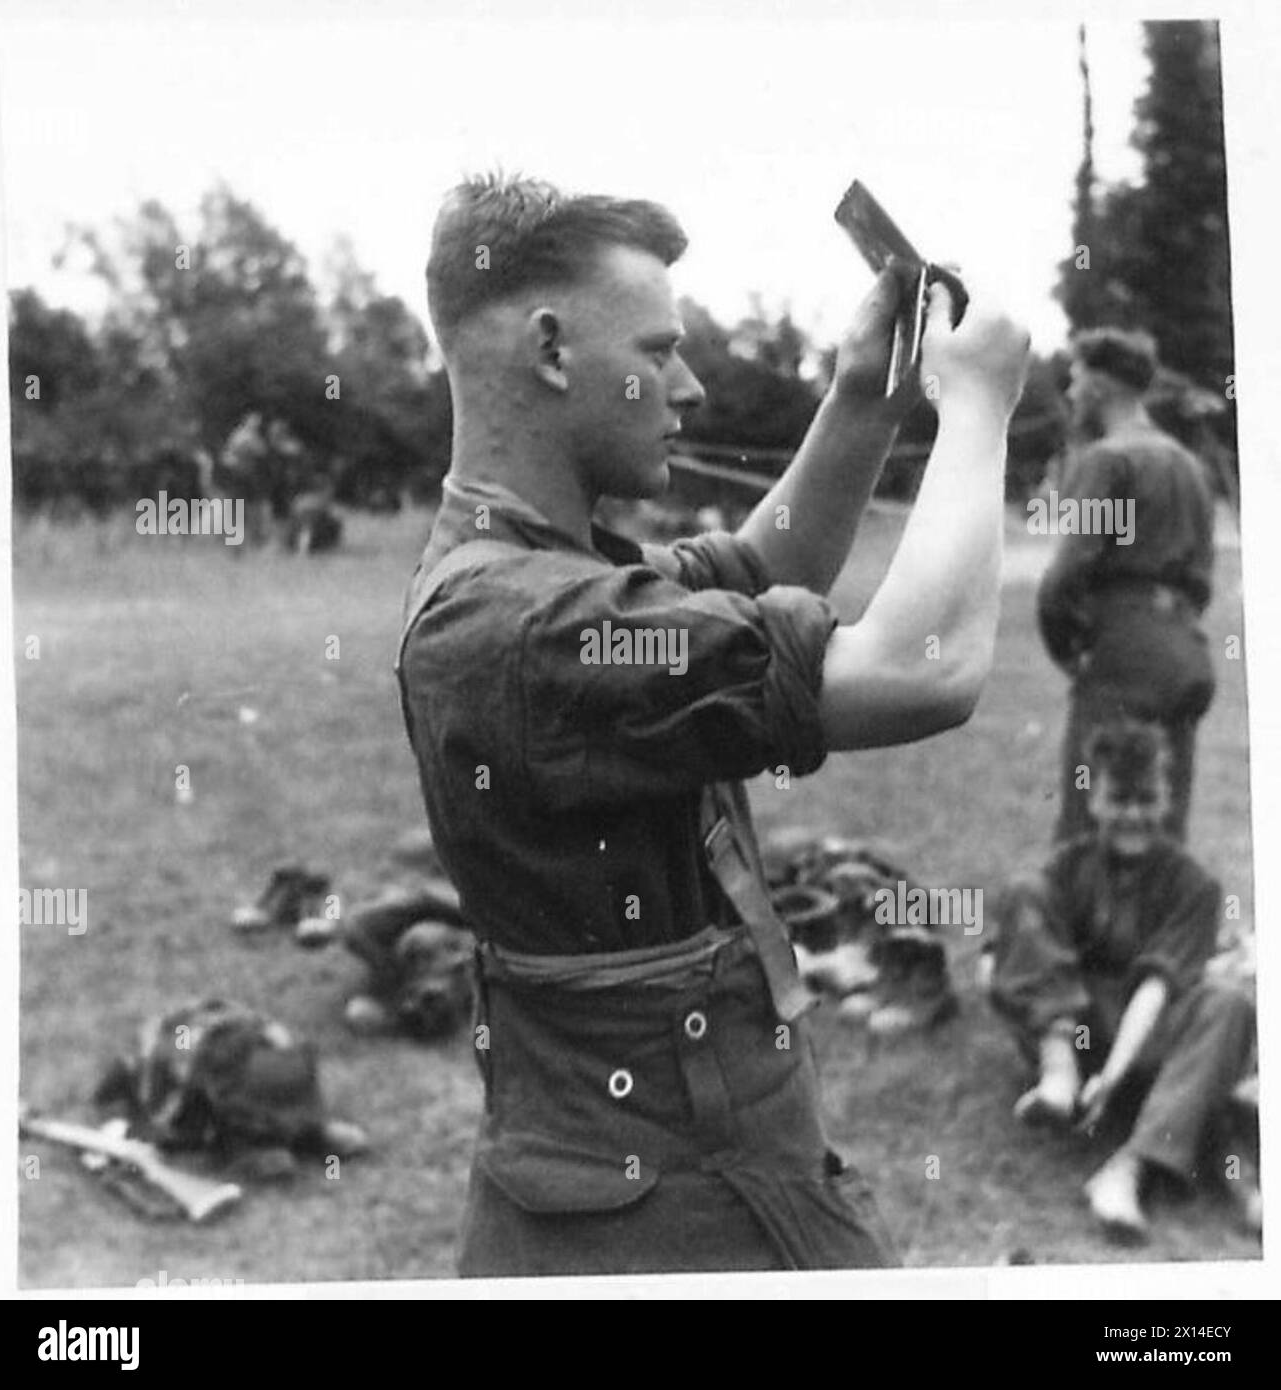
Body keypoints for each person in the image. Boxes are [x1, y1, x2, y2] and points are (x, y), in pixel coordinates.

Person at [396, 173, 1029, 1276]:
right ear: (550, 349)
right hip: (671, 1198)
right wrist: (976, 408)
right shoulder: (528, 622)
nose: (686, 388)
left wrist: (867, 399)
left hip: (651, 1163)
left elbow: (756, 574)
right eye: (659, 349)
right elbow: (928, 673)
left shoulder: (537, 567)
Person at [986, 718, 1258, 1241]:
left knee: (1229, 1005)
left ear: (1167, 799)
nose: (1133, 815)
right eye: (1120, 799)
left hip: (1146, 1038)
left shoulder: (1194, 885)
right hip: (1072, 1025)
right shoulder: (1068, 867)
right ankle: (1058, 1074)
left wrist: (1110, 1078)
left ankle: (1128, 1168)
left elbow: (1155, 989)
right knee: (1022, 894)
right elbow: (1021, 948)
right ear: (1094, 800)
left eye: (1146, 799)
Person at [1037, 328, 1217, 843]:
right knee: (1159, 834)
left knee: (1089, 837)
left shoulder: (1107, 460)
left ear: (1099, 387)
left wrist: (1070, 651)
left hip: (1122, 660)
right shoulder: (1190, 467)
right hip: (1185, 659)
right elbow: (1201, 585)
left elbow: (1062, 580)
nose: (1070, 396)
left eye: (1075, 382)